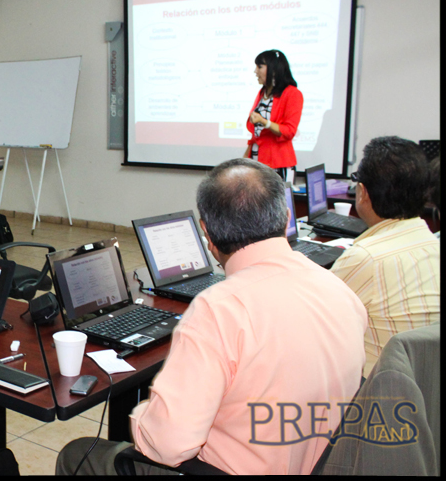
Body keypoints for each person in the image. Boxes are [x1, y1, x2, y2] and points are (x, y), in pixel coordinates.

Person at [56, 158, 367, 475]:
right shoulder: (341, 291)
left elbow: (166, 446)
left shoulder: (220, 309)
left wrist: (147, 413)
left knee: (77, 455)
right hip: (322, 465)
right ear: (287, 215)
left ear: (206, 233)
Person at [331, 136, 440, 376]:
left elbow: (314, 322)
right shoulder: (434, 245)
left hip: (377, 389)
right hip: (427, 387)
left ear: (363, 192)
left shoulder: (366, 258)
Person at [244, 50, 302, 183]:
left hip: (278, 164)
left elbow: (289, 131)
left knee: (279, 197)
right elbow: (256, 134)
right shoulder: (262, 93)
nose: (255, 71)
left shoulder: (292, 93)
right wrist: (245, 159)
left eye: (259, 67)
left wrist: (265, 122)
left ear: (273, 69)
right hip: (257, 162)